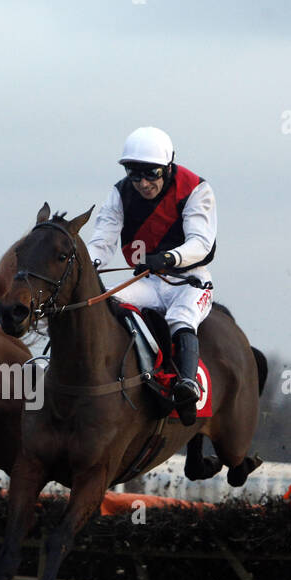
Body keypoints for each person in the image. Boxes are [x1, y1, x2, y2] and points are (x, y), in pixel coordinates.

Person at [84, 126, 217, 426]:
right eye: (135, 174)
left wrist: (170, 257)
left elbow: (201, 243)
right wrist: (88, 264)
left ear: (168, 167)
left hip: (188, 281)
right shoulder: (119, 193)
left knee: (181, 316)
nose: (143, 183)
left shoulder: (196, 189)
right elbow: (103, 240)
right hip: (147, 280)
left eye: (152, 174)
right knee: (105, 300)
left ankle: (187, 384)